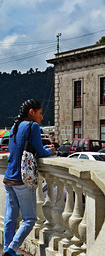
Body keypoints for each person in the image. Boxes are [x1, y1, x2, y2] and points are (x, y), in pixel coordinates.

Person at [2, 99, 55, 256]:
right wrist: (50, 150)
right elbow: (39, 150)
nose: (42, 117)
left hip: (8, 178)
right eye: (40, 113)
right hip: (22, 180)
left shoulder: (14, 127)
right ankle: (11, 251)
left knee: (11, 218)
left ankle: (7, 249)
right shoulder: (33, 126)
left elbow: (15, 149)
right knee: (30, 219)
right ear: (31, 112)